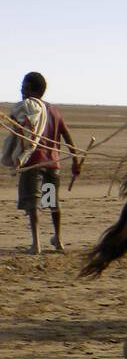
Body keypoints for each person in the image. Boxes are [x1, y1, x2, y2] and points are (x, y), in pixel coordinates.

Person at [1, 72, 79, 253]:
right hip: (52, 165)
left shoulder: (28, 109)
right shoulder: (55, 111)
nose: (21, 89)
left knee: (33, 203)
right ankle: (58, 241)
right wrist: (75, 160)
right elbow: (68, 137)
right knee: (50, 202)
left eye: (24, 85)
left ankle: (36, 244)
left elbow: (15, 125)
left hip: (34, 164)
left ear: (32, 89)